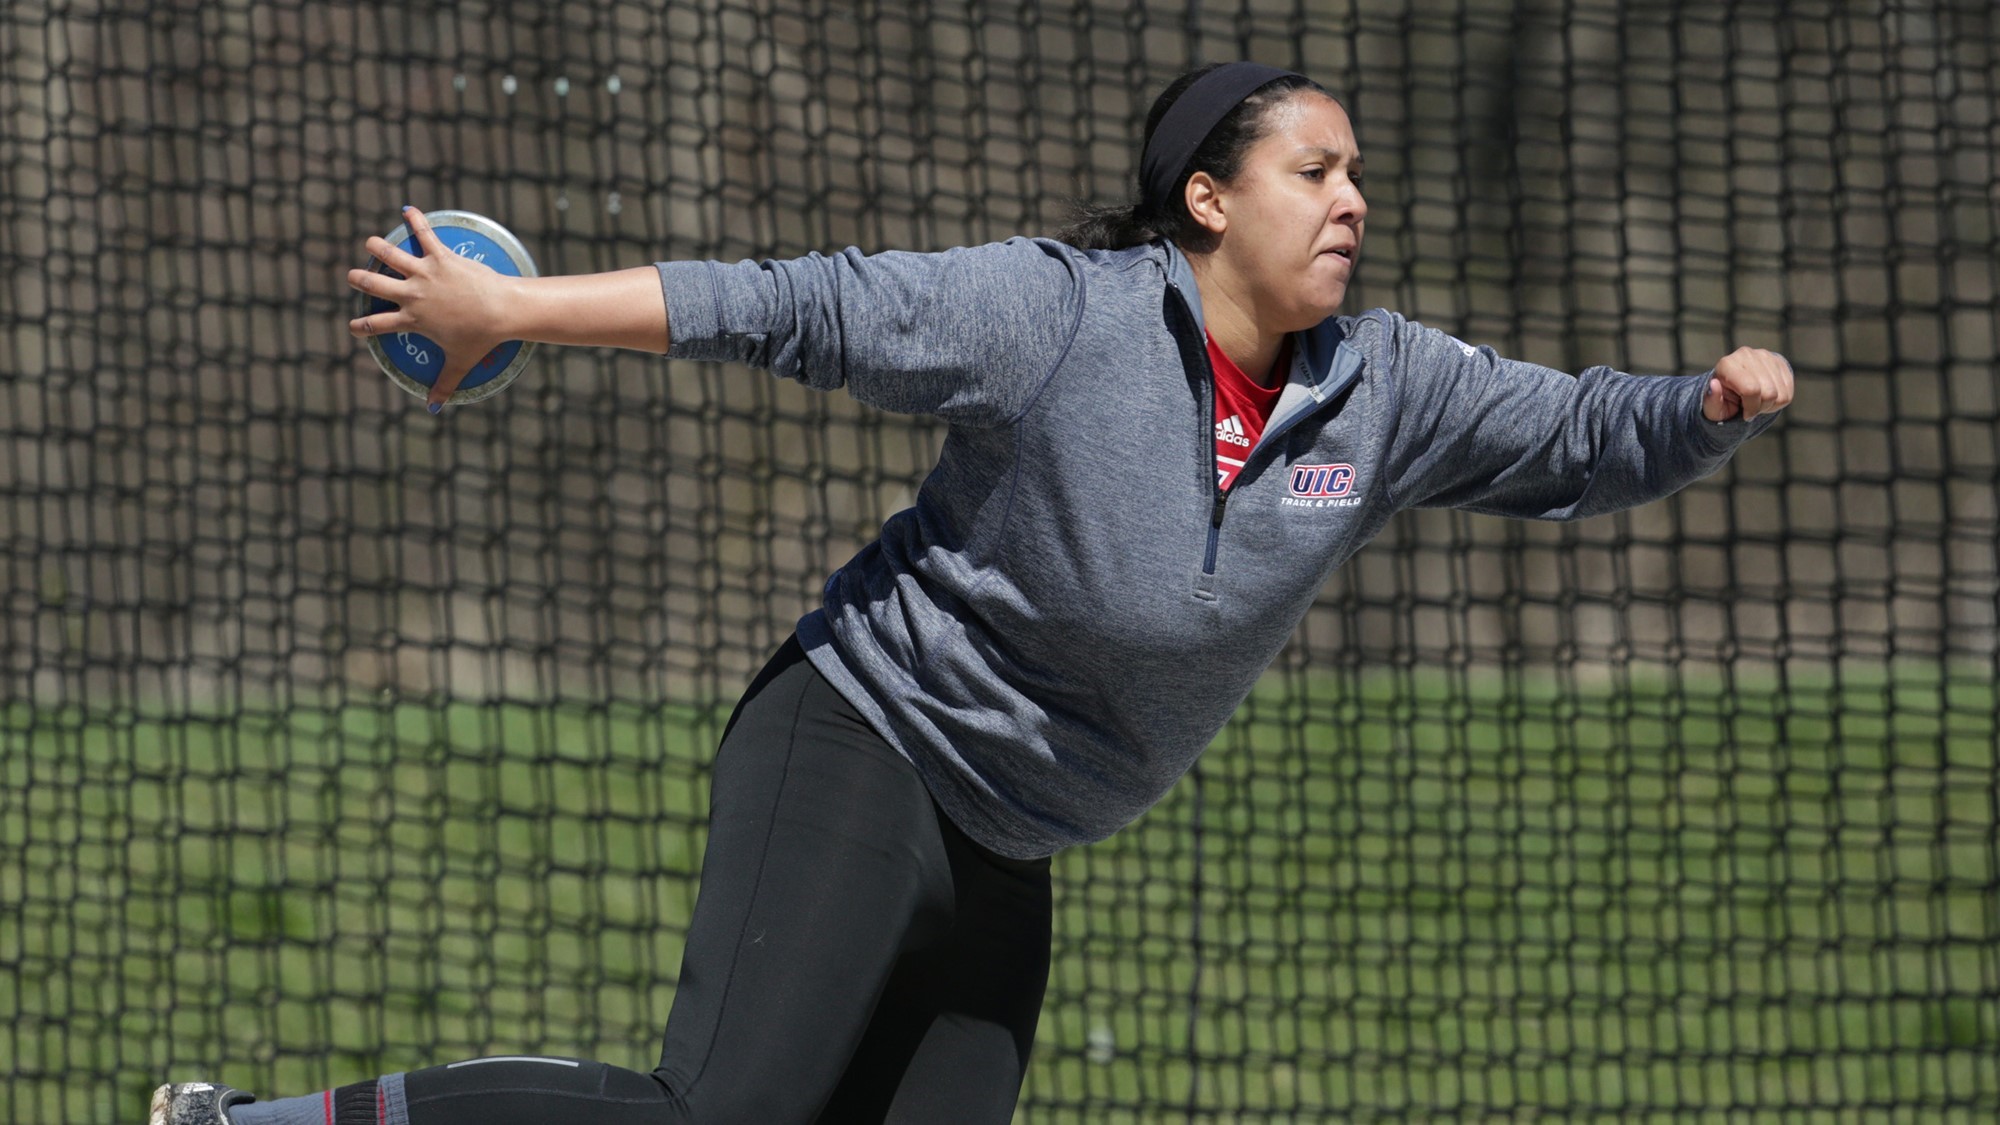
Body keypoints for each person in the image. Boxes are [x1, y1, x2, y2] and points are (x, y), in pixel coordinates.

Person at [148, 61, 1791, 1125]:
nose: (1354, 195)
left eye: (1359, 170)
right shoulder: (1055, 315)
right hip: (864, 744)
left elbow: (1578, 433)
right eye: (1316, 169)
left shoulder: (1387, 386)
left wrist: (1699, 411)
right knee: (714, 1118)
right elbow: (777, 305)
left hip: (1014, 840)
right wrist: (515, 312)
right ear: (1208, 201)